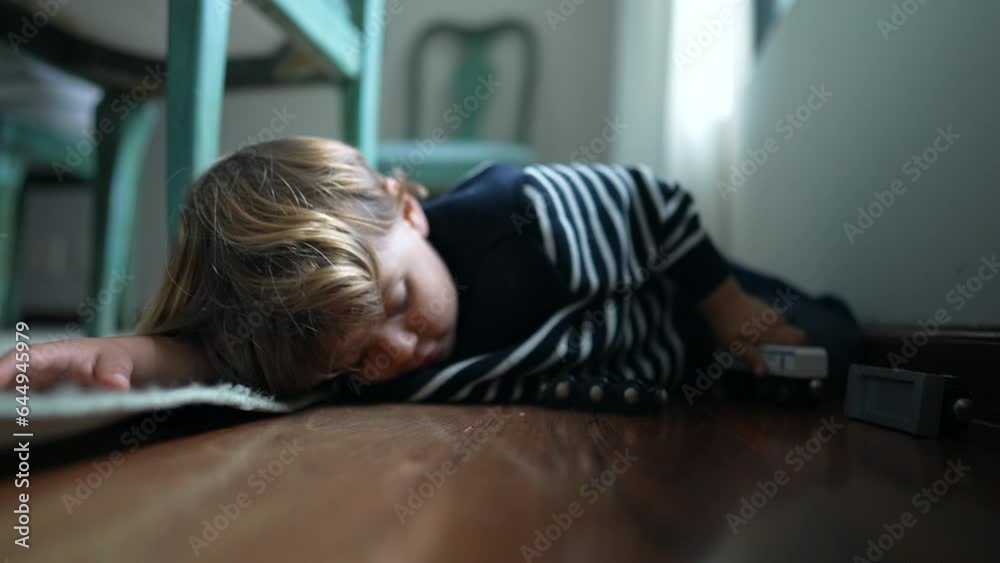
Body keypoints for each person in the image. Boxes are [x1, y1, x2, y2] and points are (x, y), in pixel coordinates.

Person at [0, 137, 861, 409]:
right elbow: (218, 362)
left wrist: (729, 308)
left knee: (831, 349)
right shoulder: (322, 343)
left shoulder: (516, 216)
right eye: (355, 361)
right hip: (654, 388)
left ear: (409, 209)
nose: (402, 350)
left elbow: (654, 206)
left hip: (692, 314)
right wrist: (114, 353)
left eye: (402, 301)